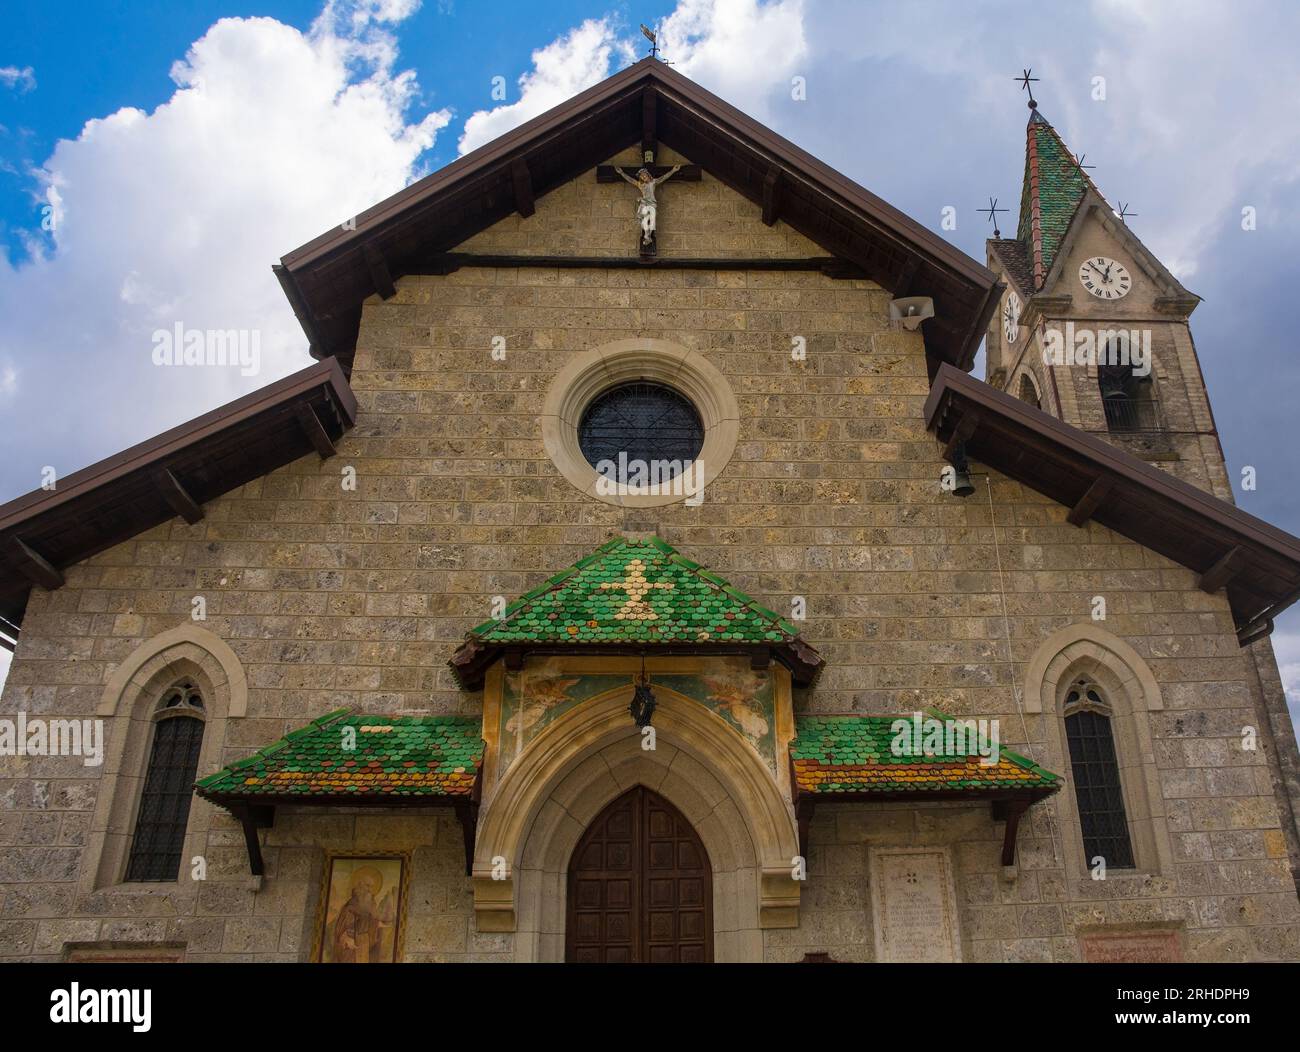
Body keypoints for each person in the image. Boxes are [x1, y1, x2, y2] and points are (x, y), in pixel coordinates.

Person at [615, 164, 682, 246]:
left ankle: (647, 236)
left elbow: (664, 177)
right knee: (643, 220)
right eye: (642, 177)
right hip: (644, 202)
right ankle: (647, 236)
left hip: (652, 203)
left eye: (644, 175)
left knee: (652, 220)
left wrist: (673, 170)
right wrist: (621, 173)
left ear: (648, 175)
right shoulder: (640, 184)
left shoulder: (653, 182)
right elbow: (631, 180)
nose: (643, 177)